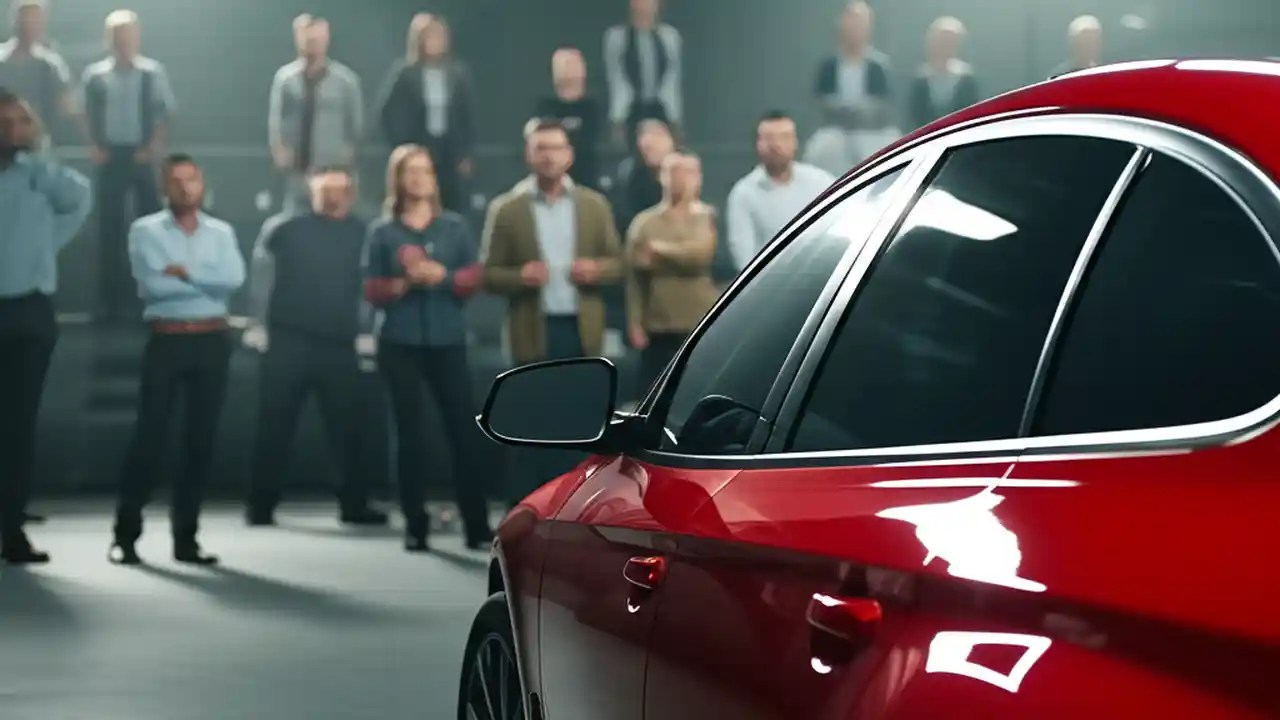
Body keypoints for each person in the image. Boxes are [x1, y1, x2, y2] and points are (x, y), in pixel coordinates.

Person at [110, 153, 245, 567]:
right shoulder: (145, 231)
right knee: (148, 440)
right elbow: (152, 288)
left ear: (202, 184)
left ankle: (186, 539)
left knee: (199, 443)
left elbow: (234, 280)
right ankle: (125, 536)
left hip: (212, 340)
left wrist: (184, 275)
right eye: (177, 181)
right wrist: (204, 281)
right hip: (167, 341)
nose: (186, 188)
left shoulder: (221, 232)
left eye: (192, 180)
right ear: (163, 186)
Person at [483, 120, 622, 495]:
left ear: (570, 154)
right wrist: (519, 277)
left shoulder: (593, 205)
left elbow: (617, 264)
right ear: (529, 154)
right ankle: (526, 510)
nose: (549, 155)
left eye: (556, 147)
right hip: (533, 330)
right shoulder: (507, 208)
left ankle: (575, 507)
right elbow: (489, 275)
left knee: (579, 427)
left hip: (581, 329)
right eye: (541, 148)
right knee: (531, 427)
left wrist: (596, 270)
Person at [364, 144, 490, 552]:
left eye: (425, 170)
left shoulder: (454, 227)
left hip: (447, 340)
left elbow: (473, 279)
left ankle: (476, 523)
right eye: (410, 171)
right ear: (398, 180)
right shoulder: (382, 232)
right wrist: (404, 284)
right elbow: (370, 289)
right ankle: (415, 525)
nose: (419, 178)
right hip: (399, 342)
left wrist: (442, 277)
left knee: (462, 433)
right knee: (407, 435)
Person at [244, 166, 386, 528]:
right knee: (274, 425)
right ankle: (260, 505)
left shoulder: (364, 232)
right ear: (311, 192)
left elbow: (369, 284)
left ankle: (354, 504)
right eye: (324, 189)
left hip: (339, 343)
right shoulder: (284, 229)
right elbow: (262, 277)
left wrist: (367, 330)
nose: (332, 196)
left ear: (351, 193)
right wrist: (257, 324)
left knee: (347, 429)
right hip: (287, 341)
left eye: (339, 189)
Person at [0, 92, 91, 564]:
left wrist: (40, 248)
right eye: (6, 121)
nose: (15, 128)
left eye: (22, 120)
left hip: (29, 312)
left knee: (16, 427)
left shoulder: (39, 176)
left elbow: (80, 200)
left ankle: (10, 528)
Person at [82, 9, 176, 323]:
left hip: (141, 156)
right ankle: (108, 302)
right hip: (110, 155)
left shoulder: (152, 72)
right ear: (109, 39)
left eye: (129, 35)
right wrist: (94, 146)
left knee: (150, 225)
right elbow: (85, 113)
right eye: (118, 37)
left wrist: (151, 148)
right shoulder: (95, 75)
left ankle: (152, 293)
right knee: (109, 228)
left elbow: (165, 112)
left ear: (137, 37)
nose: (124, 42)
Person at [625, 148, 718, 394]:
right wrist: (635, 322)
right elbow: (636, 274)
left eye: (689, 172)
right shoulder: (644, 223)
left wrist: (660, 249)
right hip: (658, 324)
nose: (681, 178)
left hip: (700, 319)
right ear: (662, 176)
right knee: (654, 392)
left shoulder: (706, 217)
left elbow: (700, 255)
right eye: (675, 171)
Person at [377, 13, 476, 213]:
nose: (434, 41)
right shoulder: (405, 74)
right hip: (418, 148)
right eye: (428, 36)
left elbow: (468, 115)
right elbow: (386, 113)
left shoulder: (457, 74)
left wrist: (466, 153)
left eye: (438, 36)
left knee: (451, 202)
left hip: (450, 150)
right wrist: (401, 147)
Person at [267, 15, 363, 214]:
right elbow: (276, 119)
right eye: (308, 39)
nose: (313, 44)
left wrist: (347, 157)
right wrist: (280, 151)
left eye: (317, 39)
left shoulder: (345, 80)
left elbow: (356, 123)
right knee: (296, 218)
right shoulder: (286, 79)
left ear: (327, 39)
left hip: (333, 169)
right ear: (298, 39)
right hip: (298, 169)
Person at [727, 111, 836, 272]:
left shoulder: (821, 182)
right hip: (772, 286)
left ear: (795, 142)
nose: (776, 145)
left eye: (784, 137)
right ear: (758, 144)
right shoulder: (744, 194)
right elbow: (744, 257)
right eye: (769, 138)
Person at [806, 0, 898, 176]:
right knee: (819, 150)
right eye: (851, 24)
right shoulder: (828, 65)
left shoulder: (879, 66)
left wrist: (865, 111)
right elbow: (819, 99)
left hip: (873, 133)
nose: (855, 30)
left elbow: (885, 103)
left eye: (860, 25)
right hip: (834, 132)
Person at [603, 0, 682, 148]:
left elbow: (672, 80)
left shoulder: (670, 37)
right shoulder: (617, 38)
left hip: (661, 108)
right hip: (631, 110)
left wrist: (674, 118)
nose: (644, 5)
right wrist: (617, 118)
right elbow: (616, 79)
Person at [0, 0, 74, 146]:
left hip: (36, 142)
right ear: (15, 20)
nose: (29, 24)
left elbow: (66, 105)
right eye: (25, 18)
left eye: (35, 19)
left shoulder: (51, 64)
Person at [535, 48, 602, 190]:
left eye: (572, 65)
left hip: (587, 179)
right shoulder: (544, 108)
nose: (566, 70)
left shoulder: (594, 108)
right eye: (561, 66)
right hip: (550, 182)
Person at [907, 17, 980, 130]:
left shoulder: (967, 79)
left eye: (950, 41)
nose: (945, 46)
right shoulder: (920, 79)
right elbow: (912, 116)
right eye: (942, 41)